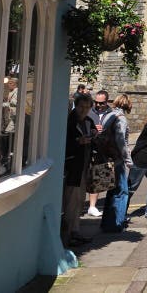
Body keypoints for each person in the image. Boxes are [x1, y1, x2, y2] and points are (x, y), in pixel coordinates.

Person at [62, 95, 96, 246]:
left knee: (80, 201)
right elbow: (63, 143)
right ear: (76, 106)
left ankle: (75, 230)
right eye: (82, 106)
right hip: (73, 167)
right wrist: (78, 141)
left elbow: (93, 139)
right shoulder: (70, 121)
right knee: (71, 201)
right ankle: (68, 233)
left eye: (87, 107)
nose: (84, 110)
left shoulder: (89, 122)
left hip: (84, 166)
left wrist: (95, 136)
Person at [100, 94, 133, 233]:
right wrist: (128, 159)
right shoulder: (121, 119)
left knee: (111, 191)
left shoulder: (108, 115)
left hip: (106, 157)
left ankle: (107, 223)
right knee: (122, 191)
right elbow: (121, 141)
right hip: (117, 159)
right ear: (127, 105)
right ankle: (117, 224)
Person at [86, 90, 112, 217]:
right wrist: (94, 130)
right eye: (96, 102)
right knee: (90, 179)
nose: (98, 105)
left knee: (101, 180)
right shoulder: (89, 113)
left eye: (101, 103)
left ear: (107, 102)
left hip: (105, 150)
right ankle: (89, 206)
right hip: (90, 149)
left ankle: (93, 206)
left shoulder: (112, 114)